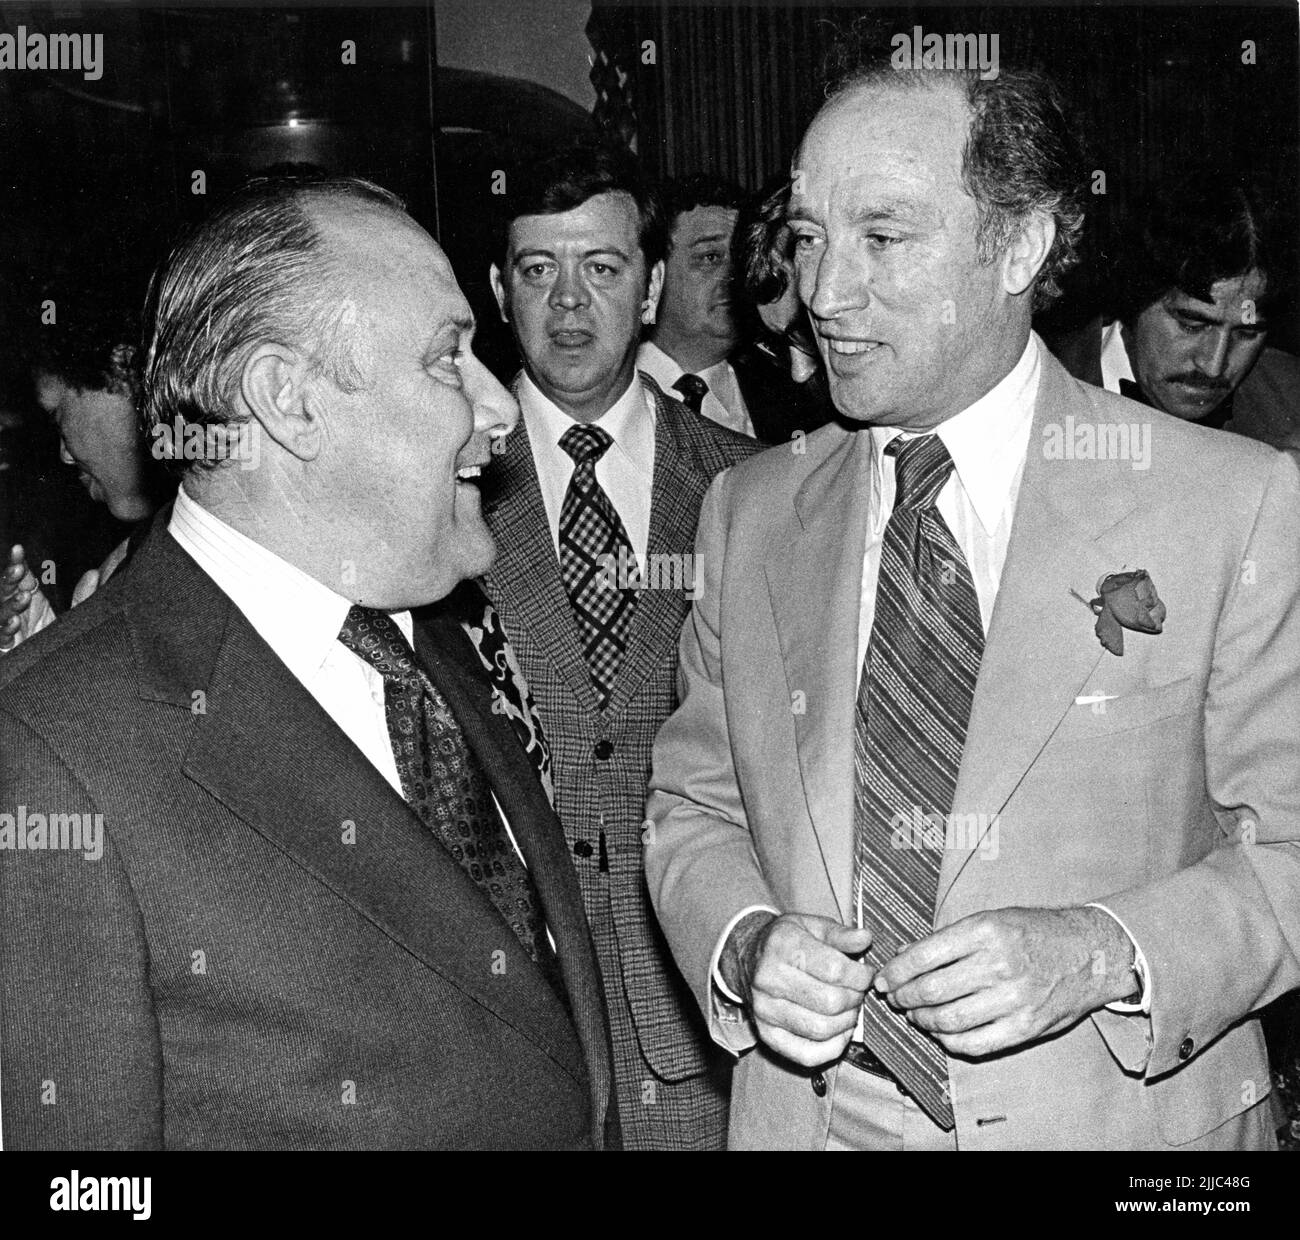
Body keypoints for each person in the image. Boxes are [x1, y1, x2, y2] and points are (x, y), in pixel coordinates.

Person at [645, 61, 1300, 1150]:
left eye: (882, 238)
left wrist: (1104, 951)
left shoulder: (1231, 503)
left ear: (1021, 246)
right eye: (808, 236)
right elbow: (694, 805)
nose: (824, 291)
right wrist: (748, 943)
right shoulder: (748, 511)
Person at [0, 175, 617, 1150]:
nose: (500, 407)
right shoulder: (50, 751)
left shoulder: (430, 639)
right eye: (446, 358)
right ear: (287, 401)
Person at [483, 142, 759, 1149]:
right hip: (512, 1027)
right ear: (495, 289)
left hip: (703, 1026)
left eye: (600, 268)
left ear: (648, 290)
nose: (567, 305)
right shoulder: (439, 497)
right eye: (536, 270)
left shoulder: (752, 488)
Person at [1059, 171, 1300, 451]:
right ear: (1132, 301)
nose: (1213, 366)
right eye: (1191, 325)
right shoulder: (1037, 387)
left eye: (1247, 332)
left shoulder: (1291, 401)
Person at [2, 265, 170, 651]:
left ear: (124, 371)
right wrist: (46, 653)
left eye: (58, 415)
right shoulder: (126, 565)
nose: (64, 454)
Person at [637, 176, 824, 445]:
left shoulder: (796, 398)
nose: (736, 276)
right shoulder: (605, 389)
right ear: (654, 275)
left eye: (741, 259)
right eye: (710, 257)